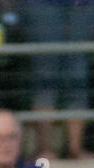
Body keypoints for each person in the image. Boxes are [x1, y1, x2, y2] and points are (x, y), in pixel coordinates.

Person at [22, 0, 94, 159]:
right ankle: (44, 148)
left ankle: (75, 148)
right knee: (46, 73)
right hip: (43, 4)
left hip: (82, 5)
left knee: (78, 72)